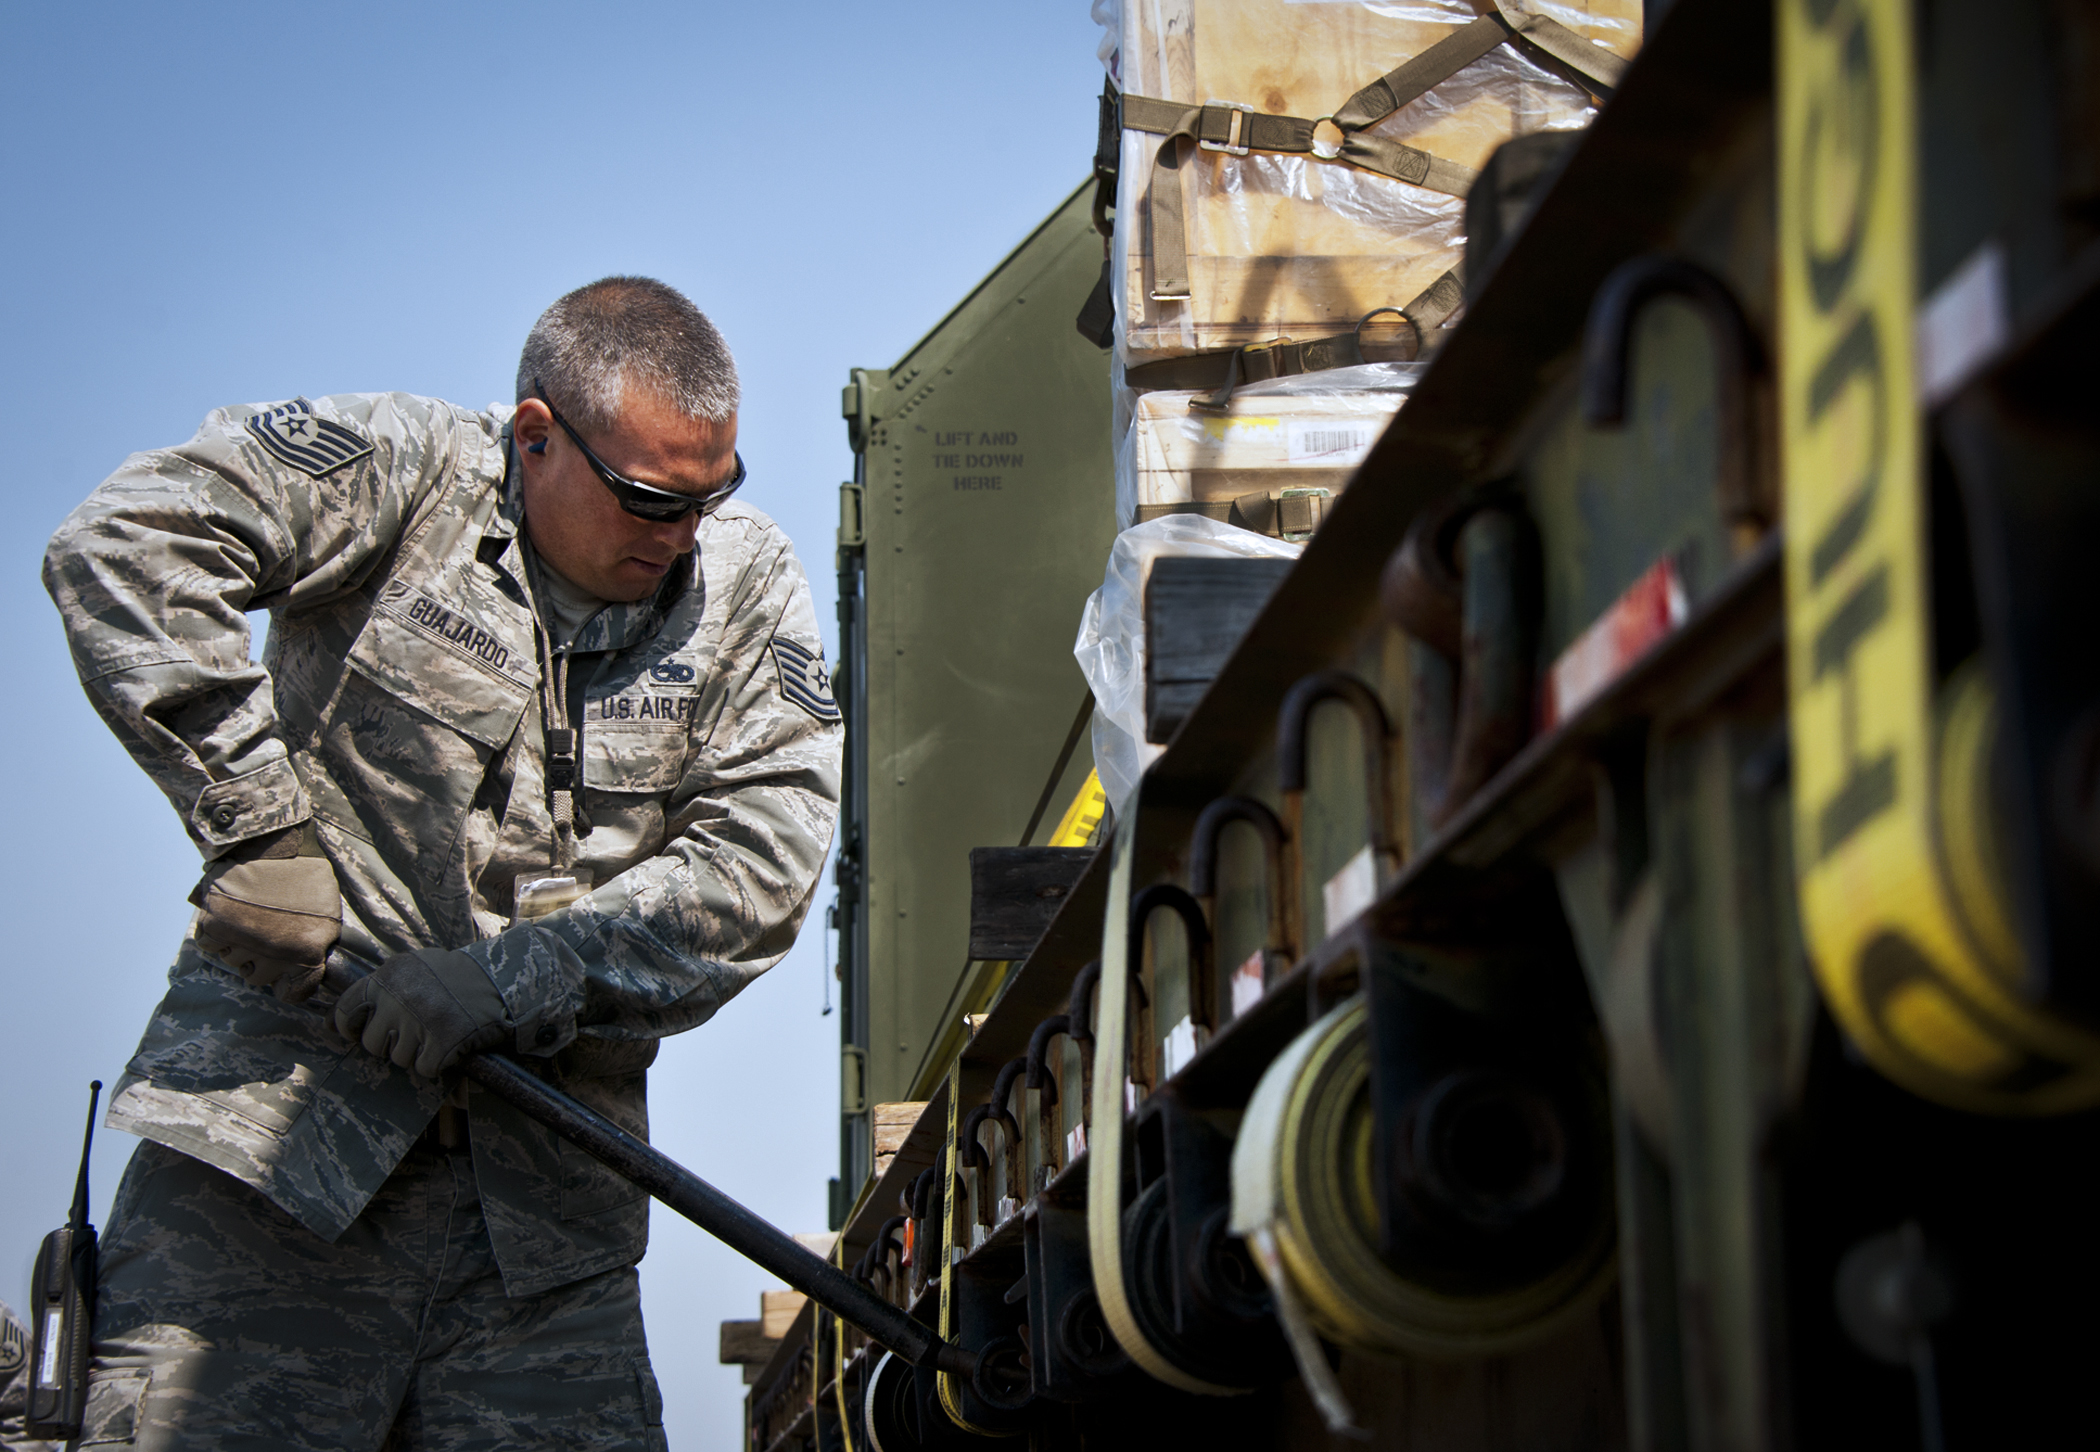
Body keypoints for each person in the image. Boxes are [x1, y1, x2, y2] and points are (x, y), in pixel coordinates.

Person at [41, 277, 841, 1450]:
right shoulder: (399, 476)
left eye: (707, 497)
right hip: (267, 1195)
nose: (678, 538)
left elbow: (762, 859)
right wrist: (257, 826)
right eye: (644, 500)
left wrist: (513, 980)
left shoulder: (745, 577)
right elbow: (125, 542)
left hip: (545, 1246)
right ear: (536, 436)